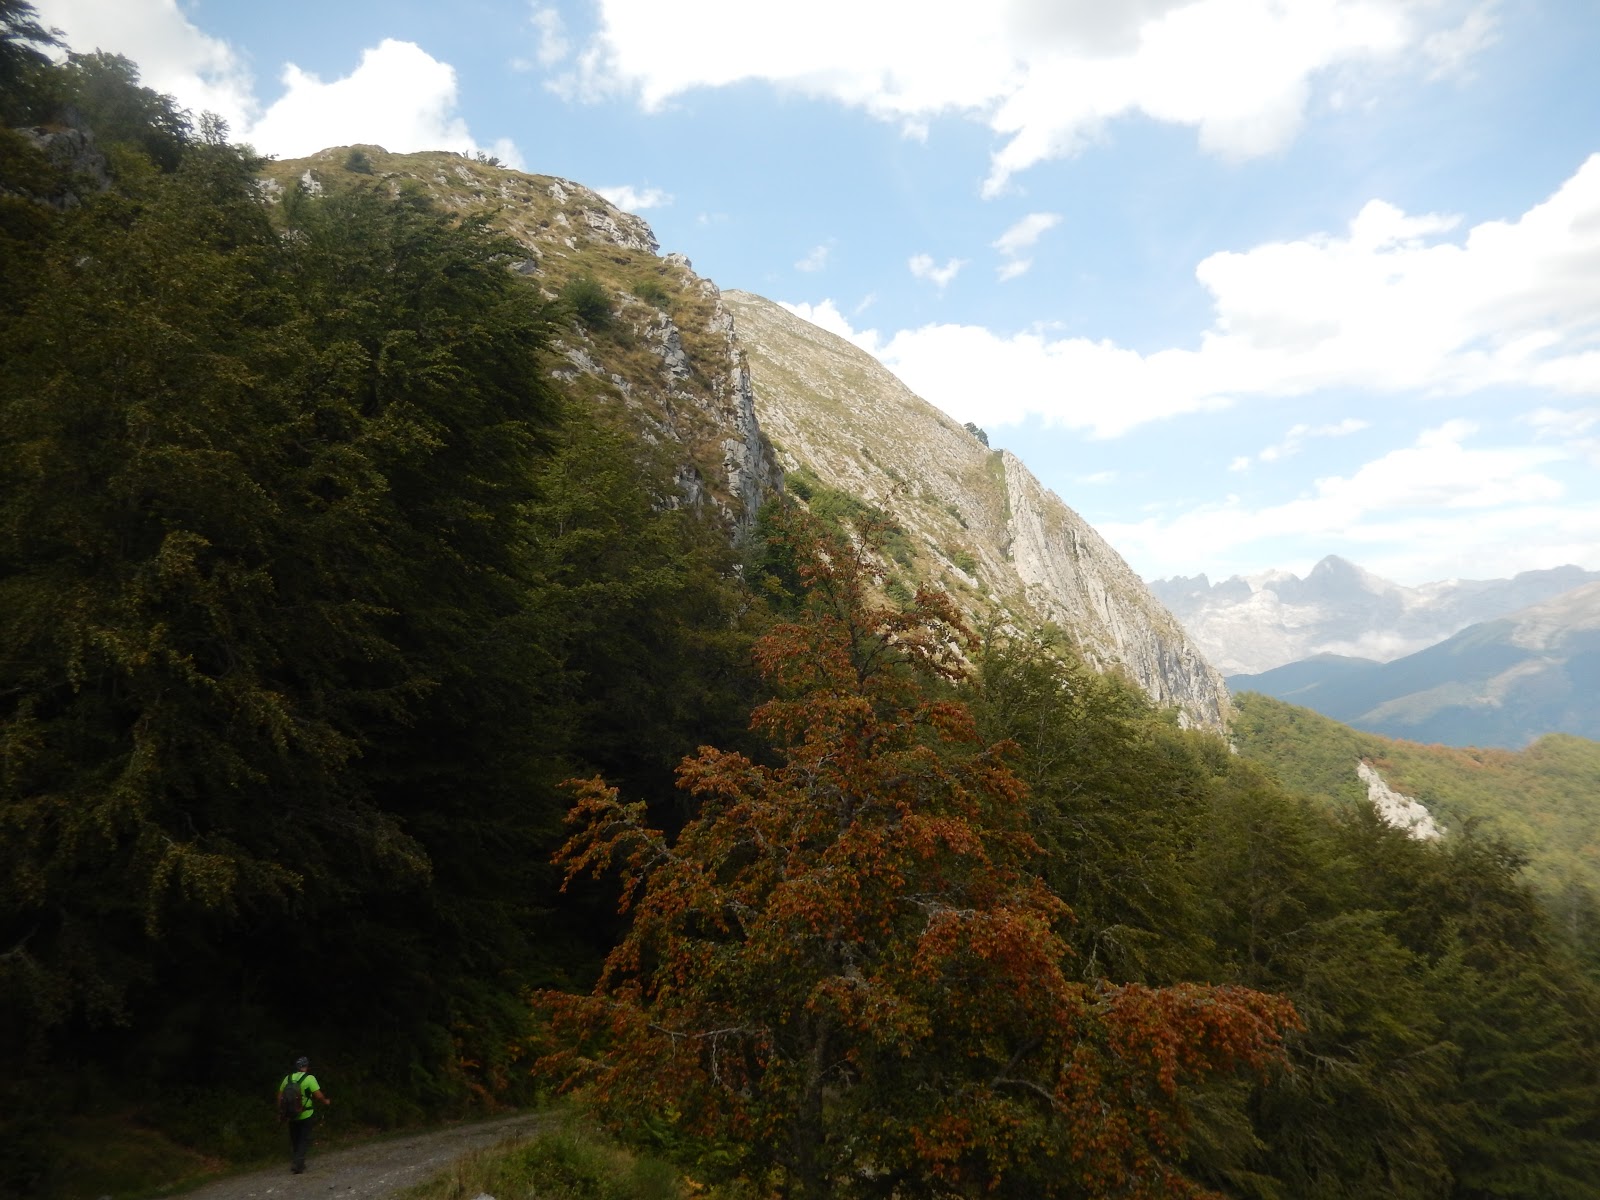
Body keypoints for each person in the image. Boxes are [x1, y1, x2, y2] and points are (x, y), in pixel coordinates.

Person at [278, 1055, 331, 1174]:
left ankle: (298, 1162)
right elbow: (318, 1095)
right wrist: (325, 1101)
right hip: (306, 1114)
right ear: (306, 1066)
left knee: (295, 1139)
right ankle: (298, 1163)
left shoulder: (288, 1078)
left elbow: (280, 1096)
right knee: (304, 1139)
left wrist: (281, 1111)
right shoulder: (309, 1078)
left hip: (291, 1115)